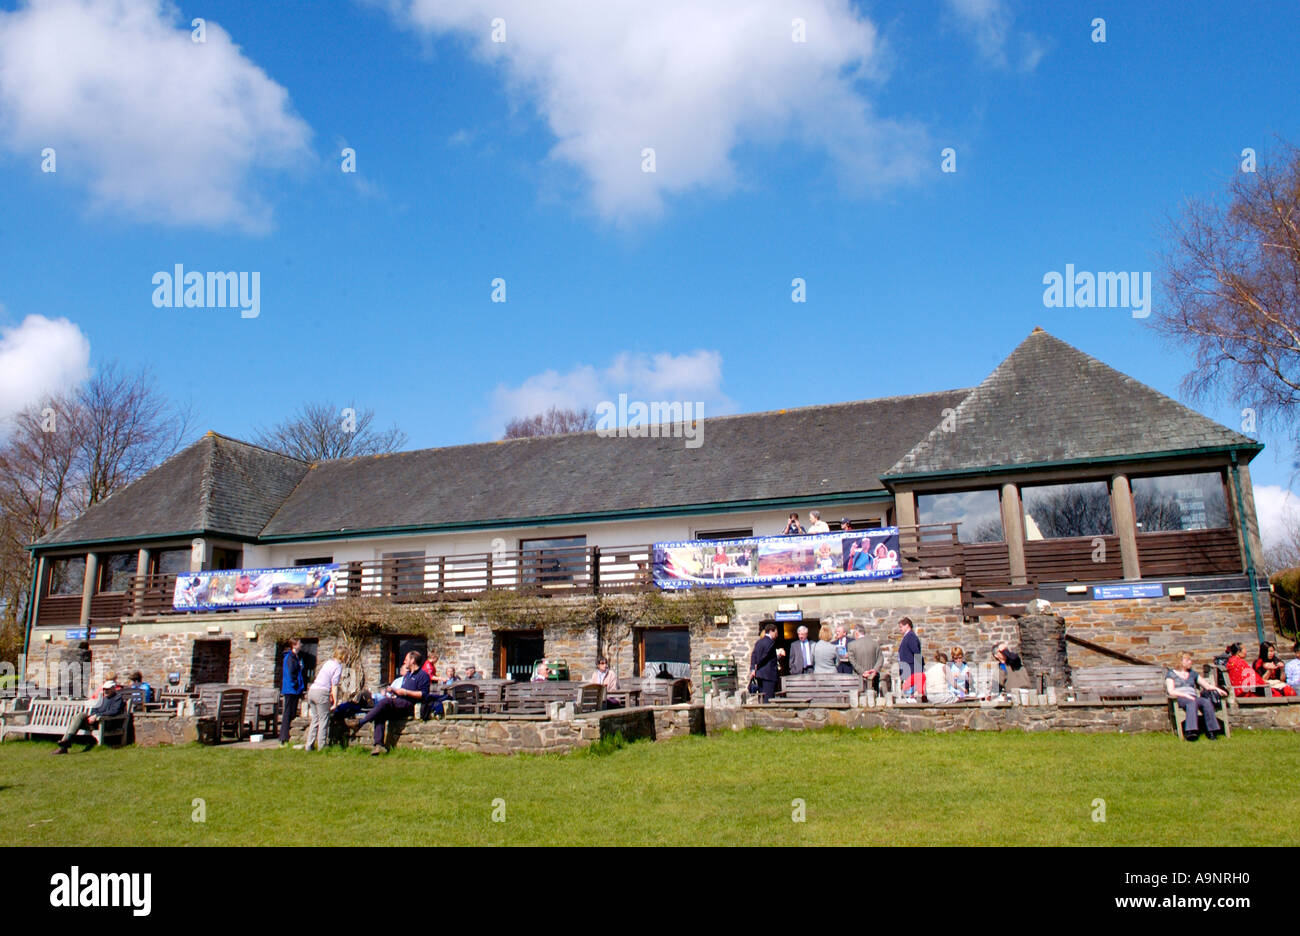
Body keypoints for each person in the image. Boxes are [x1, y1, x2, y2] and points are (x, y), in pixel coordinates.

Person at [356, 651, 430, 755]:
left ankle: (360, 723)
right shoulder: (408, 675)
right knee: (380, 712)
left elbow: (424, 694)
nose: (404, 661)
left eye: (406, 659)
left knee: (385, 701)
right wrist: (393, 690)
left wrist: (405, 692)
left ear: (412, 660)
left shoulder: (423, 675)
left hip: (409, 705)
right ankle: (379, 745)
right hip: (399, 702)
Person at [1166, 652, 1228, 741]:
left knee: (1205, 702)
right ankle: (1191, 731)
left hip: (1193, 697)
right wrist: (1185, 695)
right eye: (1187, 660)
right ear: (1180, 661)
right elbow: (1171, 691)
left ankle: (1212, 731)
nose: (1190, 662)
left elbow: (1206, 685)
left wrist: (1218, 689)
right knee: (1192, 702)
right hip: (1179, 697)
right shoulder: (1171, 674)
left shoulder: (1192, 673)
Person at [52, 681, 125, 754]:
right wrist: (92, 716)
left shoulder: (117, 698)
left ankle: (65, 745)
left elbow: (114, 711)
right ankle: (66, 742)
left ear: (113, 688)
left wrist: (97, 716)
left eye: (107, 689)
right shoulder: (101, 699)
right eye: (104, 689)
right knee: (80, 715)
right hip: (94, 722)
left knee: (75, 721)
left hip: (106, 723)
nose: (105, 691)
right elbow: (94, 710)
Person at [304, 648, 345, 751]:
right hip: (322, 693)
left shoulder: (328, 663)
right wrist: (335, 702)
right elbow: (334, 685)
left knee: (315, 719)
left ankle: (309, 745)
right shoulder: (338, 666)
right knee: (323, 719)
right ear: (343, 656)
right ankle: (322, 746)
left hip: (312, 691)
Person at [749, 623, 785, 702]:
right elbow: (765, 656)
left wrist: (753, 668)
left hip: (760, 675)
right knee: (768, 698)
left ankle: (761, 712)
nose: (777, 635)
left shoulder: (759, 642)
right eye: (776, 632)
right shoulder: (770, 642)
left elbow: (753, 655)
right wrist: (757, 665)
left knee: (761, 697)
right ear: (771, 631)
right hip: (768, 675)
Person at [279, 638, 306, 746]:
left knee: (293, 712)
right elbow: (290, 674)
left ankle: (290, 735)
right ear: (294, 645)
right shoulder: (289, 658)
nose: (301, 645)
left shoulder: (296, 657)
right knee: (288, 712)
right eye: (299, 643)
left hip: (295, 690)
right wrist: (296, 685)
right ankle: (283, 736)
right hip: (290, 689)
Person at [847, 625, 883, 692]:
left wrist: (863, 672)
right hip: (873, 677)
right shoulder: (875, 643)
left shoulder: (851, 645)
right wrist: (874, 670)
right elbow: (880, 658)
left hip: (858, 677)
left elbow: (852, 661)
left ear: (856, 633)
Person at [896, 617, 923, 701]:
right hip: (906, 668)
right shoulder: (907, 636)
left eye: (901, 627)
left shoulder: (910, 636)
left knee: (911, 692)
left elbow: (916, 653)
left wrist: (918, 671)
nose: (900, 629)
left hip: (911, 669)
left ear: (907, 625)